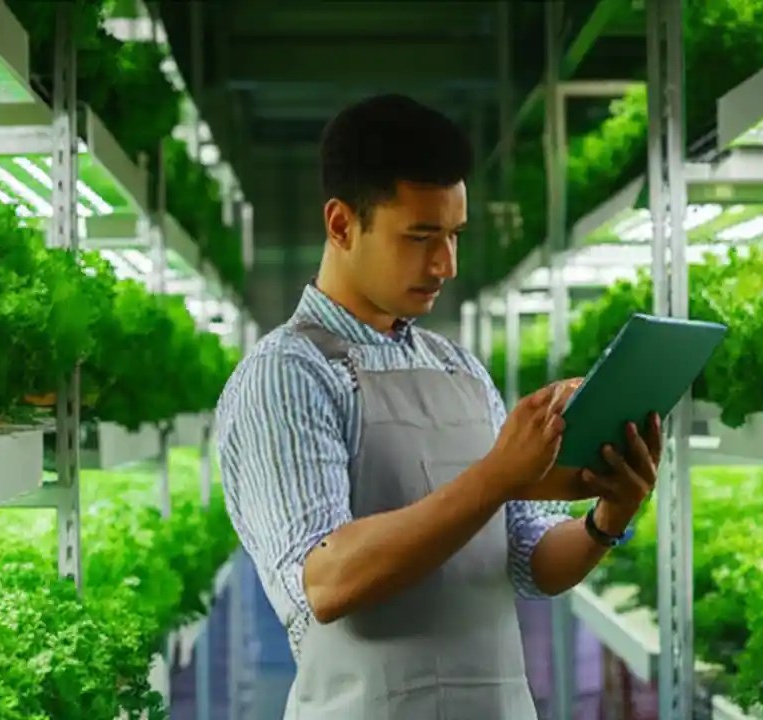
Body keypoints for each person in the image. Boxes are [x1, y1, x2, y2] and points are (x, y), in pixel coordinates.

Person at [216, 93, 661, 720]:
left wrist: (607, 519)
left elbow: (530, 560)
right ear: (342, 225)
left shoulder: (460, 369)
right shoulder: (287, 374)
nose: (445, 263)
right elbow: (326, 580)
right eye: (420, 236)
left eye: (453, 235)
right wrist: (495, 477)